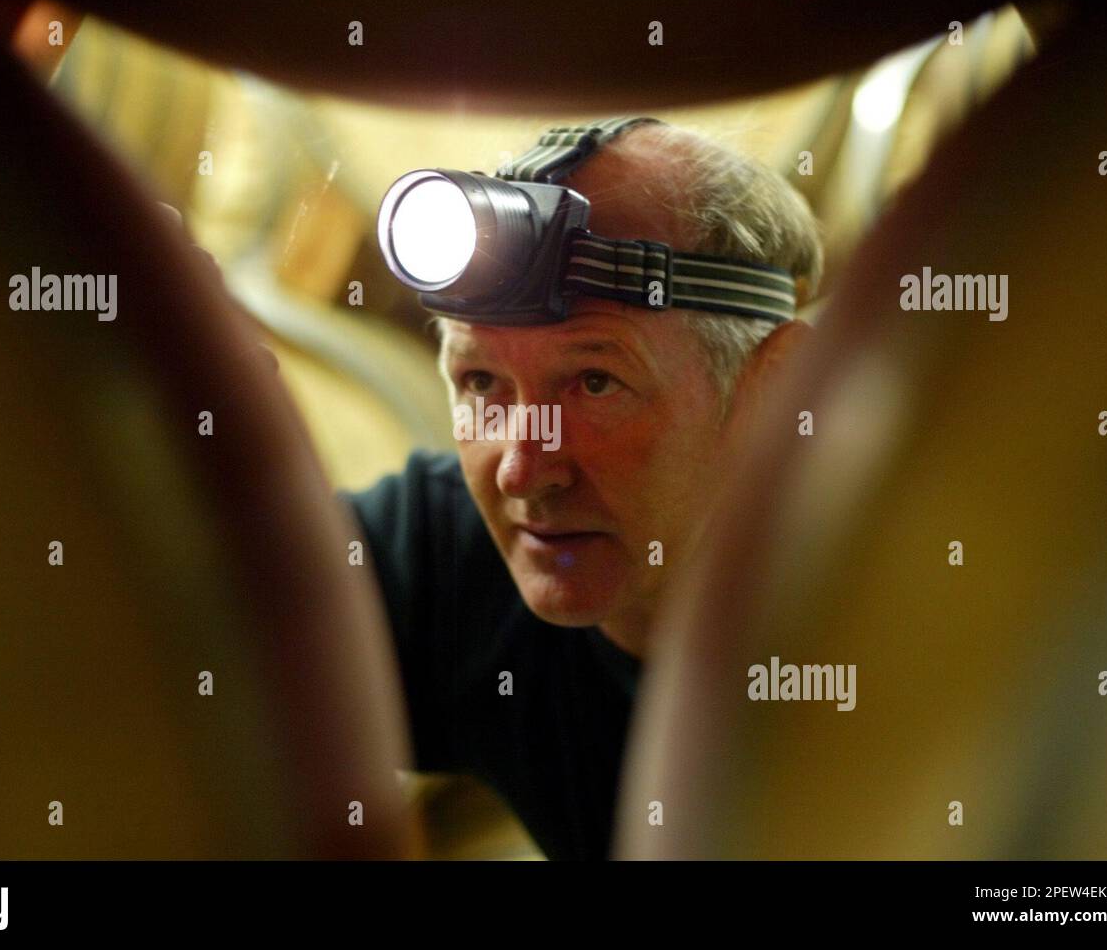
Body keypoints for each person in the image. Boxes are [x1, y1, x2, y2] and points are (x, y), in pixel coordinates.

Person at [342, 120, 823, 860]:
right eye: (481, 383)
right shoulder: (451, 555)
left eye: (594, 383)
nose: (523, 472)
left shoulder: (897, 627)